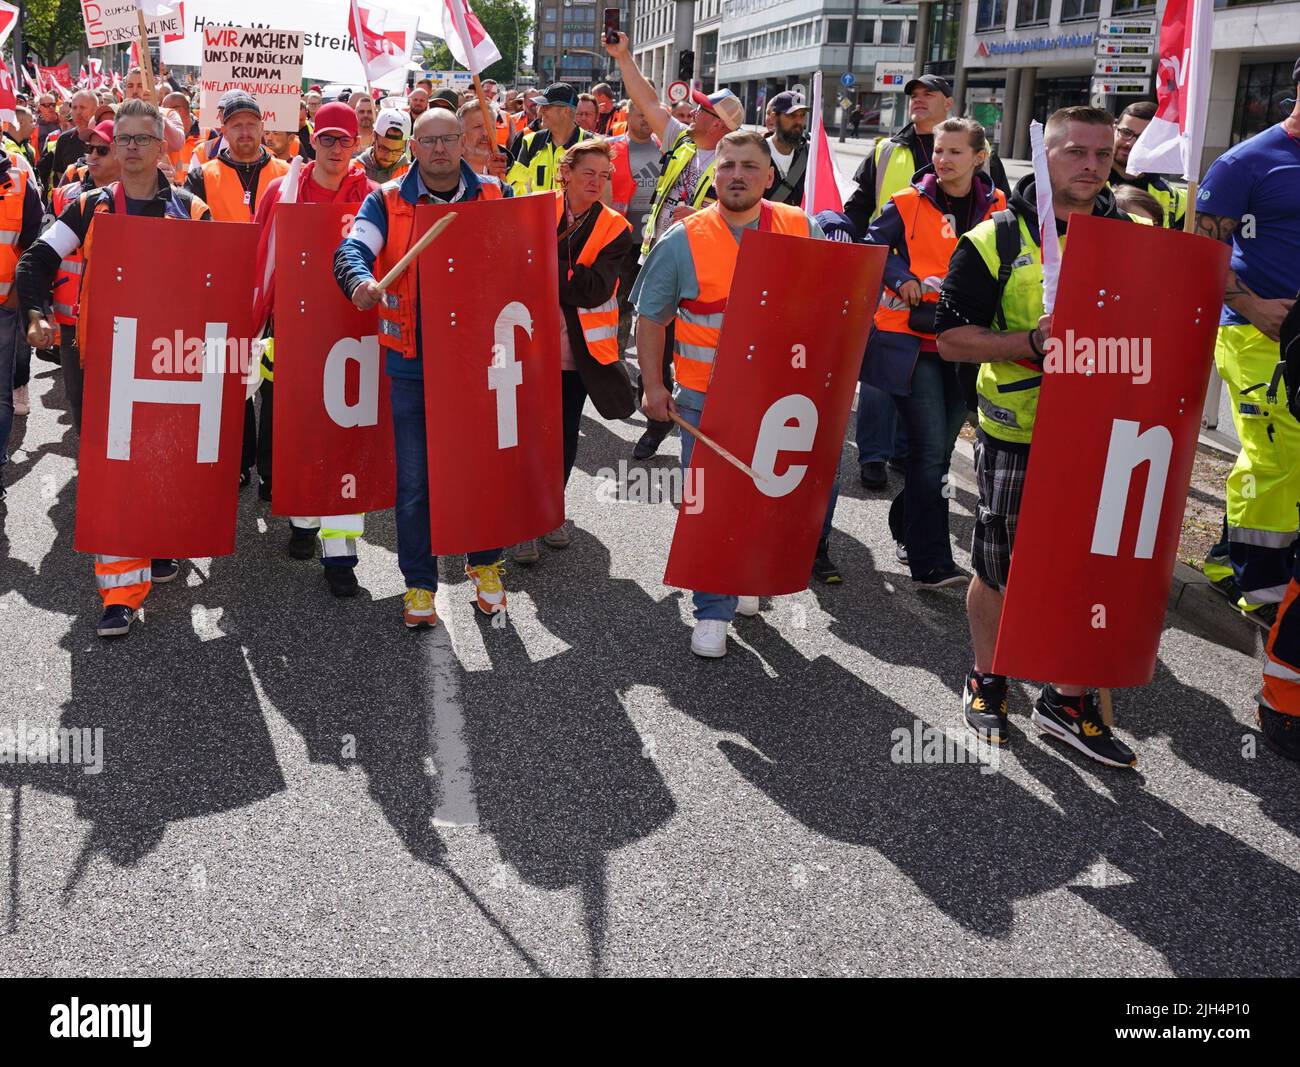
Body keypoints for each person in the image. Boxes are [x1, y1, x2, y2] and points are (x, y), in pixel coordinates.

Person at [935, 105, 1148, 766]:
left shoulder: (1136, 233)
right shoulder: (994, 238)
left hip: (1108, 435)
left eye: (1101, 153)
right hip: (1019, 432)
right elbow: (948, 339)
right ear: (1045, 156)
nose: (1090, 164)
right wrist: (1030, 341)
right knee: (1000, 567)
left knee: (1087, 565)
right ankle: (988, 676)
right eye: (1074, 152)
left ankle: (1065, 698)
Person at [17, 98, 211, 637]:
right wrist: (35, 312)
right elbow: (37, 259)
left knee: (168, 459)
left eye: (141, 138)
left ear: (160, 146)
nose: (129, 147)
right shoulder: (90, 207)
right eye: (121, 138)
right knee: (114, 466)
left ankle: (164, 545)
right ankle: (120, 592)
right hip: (104, 359)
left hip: (173, 359)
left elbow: (216, 286)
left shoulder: (191, 211)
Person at [631, 130, 824, 658]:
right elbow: (651, 318)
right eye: (726, 166)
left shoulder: (801, 228)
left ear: (769, 176)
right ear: (713, 176)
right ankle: (711, 610)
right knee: (711, 507)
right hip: (703, 402)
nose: (736, 174)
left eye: (748, 166)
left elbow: (829, 305)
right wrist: (653, 385)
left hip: (779, 400)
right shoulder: (683, 239)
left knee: (763, 496)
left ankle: (743, 578)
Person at [334, 108, 512, 627]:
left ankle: (485, 566)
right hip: (412, 359)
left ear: (462, 142)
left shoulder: (496, 195)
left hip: (481, 361)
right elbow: (353, 249)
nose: (439, 149)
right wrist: (358, 281)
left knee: (479, 470)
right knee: (414, 482)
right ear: (413, 145)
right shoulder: (385, 200)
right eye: (428, 141)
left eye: (448, 139)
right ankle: (418, 585)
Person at [865, 117, 1005, 588]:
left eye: (955, 152)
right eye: (939, 151)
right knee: (927, 453)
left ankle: (907, 524)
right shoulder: (906, 200)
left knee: (939, 453)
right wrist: (901, 277)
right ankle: (930, 562)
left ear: (979, 157)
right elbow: (874, 246)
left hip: (969, 343)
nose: (942, 160)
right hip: (914, 339)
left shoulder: (1001, 208)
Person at [253, 101, 377, 597]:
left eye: (343, 140)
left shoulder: (372, 196)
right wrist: (251, 325)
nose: (334, 148)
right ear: (311, 139)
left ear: (357, 143)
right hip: (293, 335)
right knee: (297, 434)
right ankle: (303, 523)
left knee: (346, 440)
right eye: (326, 138)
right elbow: (259, 258)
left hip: (351, 336)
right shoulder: (281, 192)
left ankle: (341, 551)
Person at [604, 30, 744, 461]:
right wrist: (624, 56)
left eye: (701, 109)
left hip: (704, 271)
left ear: (718, 124)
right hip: (657, 258)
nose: (690, 111)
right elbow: (647, 101)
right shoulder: (682, 139)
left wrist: (706, 217)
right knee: (655, 344)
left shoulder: (734, 161)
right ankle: (659, 418)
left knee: (699, 353)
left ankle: (702, 423)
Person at [1198, 60, 1300, 635]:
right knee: (1277, 456)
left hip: (1298, 334)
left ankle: (1224, 559)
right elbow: (1201, 253)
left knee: (1288, 457)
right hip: (1254, 330)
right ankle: (1260, 587)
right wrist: (1255, 305)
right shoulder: (1247, 161)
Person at [513, 140, 636, 565]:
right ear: (566, 172)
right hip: (525, 346)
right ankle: (524, 520)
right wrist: (564, 272)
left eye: (604, 175)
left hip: (574, 353)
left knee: (562, 436)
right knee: (526, 435)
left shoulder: (616, 227)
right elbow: (512, 265)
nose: (597, 182)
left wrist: (541, 269)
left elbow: (594, 289)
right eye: (589, 173)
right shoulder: (533, 208)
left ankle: (550, 512)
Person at [184, 91, 291, 490]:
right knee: (235, 381)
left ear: (263, 125)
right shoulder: (202, 175)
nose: (244, 131)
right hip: (227, 294)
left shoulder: (287, 172)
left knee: (278, 384)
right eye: (236, 124)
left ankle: (272, 469)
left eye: (251, 123)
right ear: (223, 129)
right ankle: (240, 459)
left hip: (279, 295)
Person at [42, 117, 122, 432]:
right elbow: (42, 253)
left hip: (120, 322)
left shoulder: (143, 202)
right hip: (73, 322)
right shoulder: (65, 196)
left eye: (102, 150)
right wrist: (42, 308)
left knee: (114, 404)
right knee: (80, 403)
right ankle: (89, 468)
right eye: (89, 148)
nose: (92, 155)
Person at [0, 143, 44, 501]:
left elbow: (33, 239)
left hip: (4, 303)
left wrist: (19, 292)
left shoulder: (19, 171)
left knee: (0, 394)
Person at [608, 101, 660, 357]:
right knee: (621, 305)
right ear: (628, 116)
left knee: (654, 308)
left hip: (654, 241)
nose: (646, 119)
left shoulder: (668, 149)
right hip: (622, 240)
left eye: (649, 113)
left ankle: (649, 364)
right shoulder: (611, 148)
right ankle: (616, 360)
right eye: (641, 114)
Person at [1110, 100, 1188, 230]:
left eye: (1143, 139)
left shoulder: (1178, 199)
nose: (1130, 143)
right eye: (1126, 133)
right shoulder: (1088, 186)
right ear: (1114, 129)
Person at [507, 82, 590, 195]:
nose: (540, 111)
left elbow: (601, 195)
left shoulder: (590, 144)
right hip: (536, 212)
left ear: (566, 111)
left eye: (547, 106)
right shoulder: (530, 142)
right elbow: (517, 188)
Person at [39, 89, 95, 196]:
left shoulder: (104, 138)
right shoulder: (63, 139)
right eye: (74, 108)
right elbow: (60, 175)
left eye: (82, 107)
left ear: (95, 109)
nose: (78, 112)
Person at [763, 91, 809, 205]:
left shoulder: (810, 154)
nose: (798, 122)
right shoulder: (756, 152)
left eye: (802, 115)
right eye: (791, 115)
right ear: (773, 117)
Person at [458, 101, 508, 182]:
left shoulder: (515, 171)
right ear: (460, 133)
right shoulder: (447, 174)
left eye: (490, 127)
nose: (485, 133)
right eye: (477, 127)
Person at [358, 108, 410, 183]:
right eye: (383, 148)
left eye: (397, 151)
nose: (388, 157)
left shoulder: (410, 174)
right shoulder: (354, 169)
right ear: (374, 136)